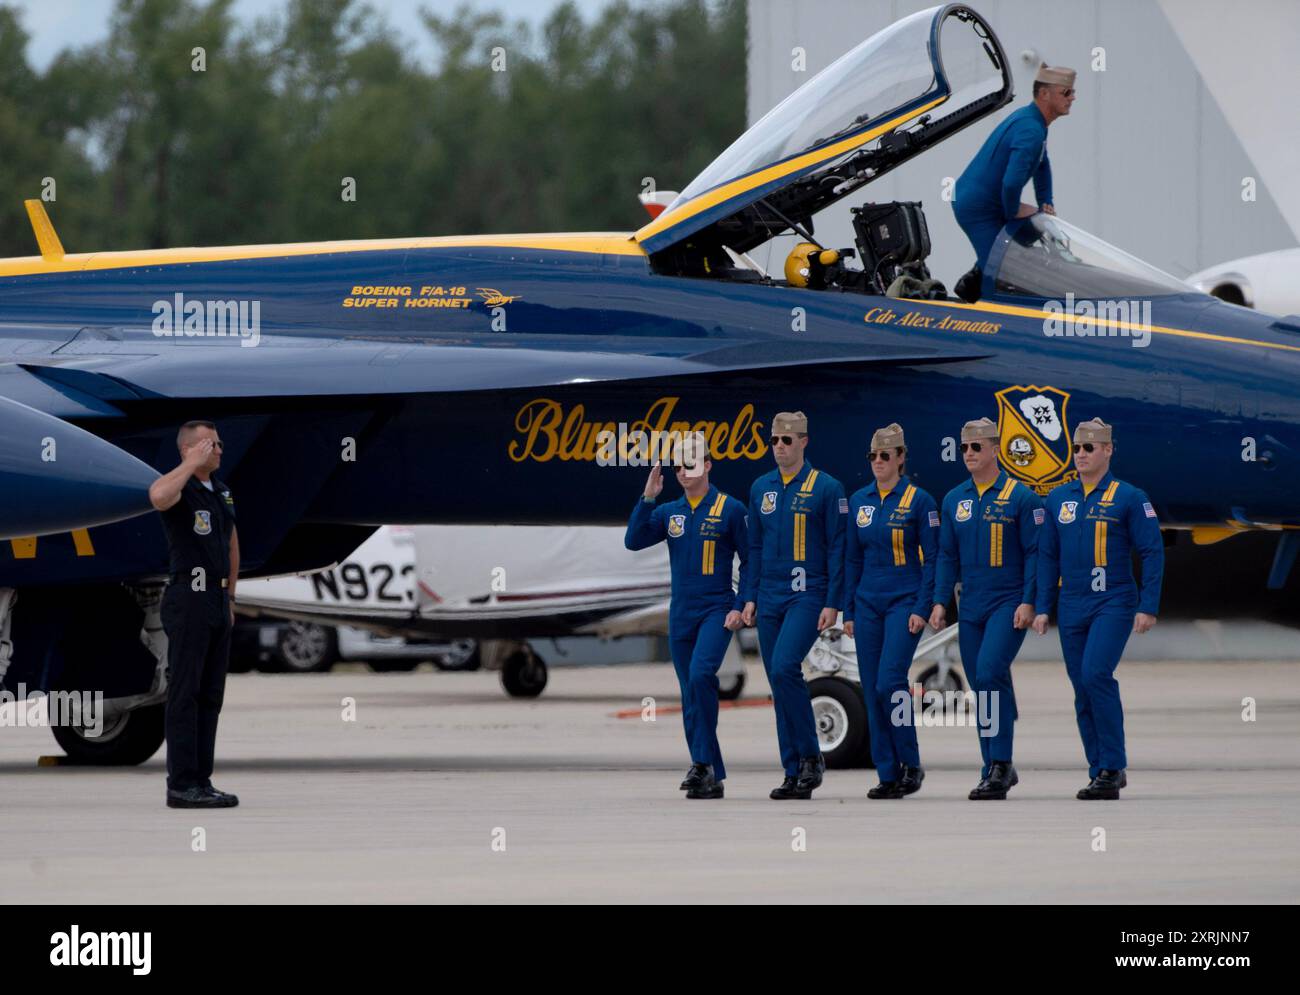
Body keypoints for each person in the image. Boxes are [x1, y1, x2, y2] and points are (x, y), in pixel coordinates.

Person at [1033, 419, 1164, 800]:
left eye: (1090, 448)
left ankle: (1113, 765)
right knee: (1081, 688)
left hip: (1113, 600)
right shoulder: (1059, 498)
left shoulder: (1129, 497)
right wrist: (1043, 606)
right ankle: (1099, 770)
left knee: (1096, 674)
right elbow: (1047, 555)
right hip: (1072, 603)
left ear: (1108, 450)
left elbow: (1151, 551)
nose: (1082, 455)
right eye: (1077, 449)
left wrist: (1148, 605)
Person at [624, 433, 749, 800]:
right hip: (681, 613)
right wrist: (648, 497)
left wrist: (742, 604)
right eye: (679, 466)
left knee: (700, 676)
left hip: (716, 609)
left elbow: (751, 559)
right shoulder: (669, 512)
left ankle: (704, 765)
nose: (684, 471)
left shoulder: (731, 509)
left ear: (708, 465)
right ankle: (706, 769)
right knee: (690, 693)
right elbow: (633, 540)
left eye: (691, 464)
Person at [931, 417, 1042, 799]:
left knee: (992, 670)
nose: (969, 454)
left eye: (976, 447)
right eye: (964, 447)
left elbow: (1034, 553)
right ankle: (991, 764)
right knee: (982, 683)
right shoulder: (954, 499)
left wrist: (1030, 601)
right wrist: (939, 601)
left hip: (1008, 601)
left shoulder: (1021, 497)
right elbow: (946, 555)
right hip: (971, 604)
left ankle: (1001, 764)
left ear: (995, 449)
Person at [742, 411, 846, 800]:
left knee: (787, 666)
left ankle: (810, 757)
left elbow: (838, 548)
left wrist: (834, 601)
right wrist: (749, 595)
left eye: (788, 440)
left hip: (808, 595)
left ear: (804, 441)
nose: (780, 448)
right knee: (777, 682)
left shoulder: (827, 488)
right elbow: (754, 548)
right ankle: (792, 770)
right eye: (774, 441)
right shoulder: (760, 488)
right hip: (769, 595)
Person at [148, 420, 240, 809]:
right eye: (209, 444)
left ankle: (202, 780)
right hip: (189, 598)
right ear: (188, 449)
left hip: (217, 600)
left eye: (218, 443)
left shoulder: (220, 490)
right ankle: (181, 784)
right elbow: (157, 496)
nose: (218, 449)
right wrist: (188, 465)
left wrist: (231, 597)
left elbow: (232, 541)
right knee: (185, 692)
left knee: (210, 695)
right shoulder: (179, 485)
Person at [844, 423, 939, 799]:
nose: (878, 462)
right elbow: (852, 558)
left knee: (890, 682)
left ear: (901, 458)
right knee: (871, 689)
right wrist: (848, 610)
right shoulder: (859, 501)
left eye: (886, 456)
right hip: (867, 603)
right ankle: (887, 773)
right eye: (873, 456)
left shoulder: (920, 501)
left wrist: (924, 605)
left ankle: (910, 763)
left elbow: (932, 558)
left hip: (904, 601)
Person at [951, 63, 1076, 302]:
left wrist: (1046, 202)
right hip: (978, 209)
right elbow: (1010, 184)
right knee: (1002, 274)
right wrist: (1012, 211)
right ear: (1044, 94)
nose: (1073, 97)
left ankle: (971, 285)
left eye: (1072, 92)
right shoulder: (1031, 129)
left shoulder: (1034, 122)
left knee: (1015, 253)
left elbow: (1042, 164)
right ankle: (980, 316)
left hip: (984, 202)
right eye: (1066, 93)